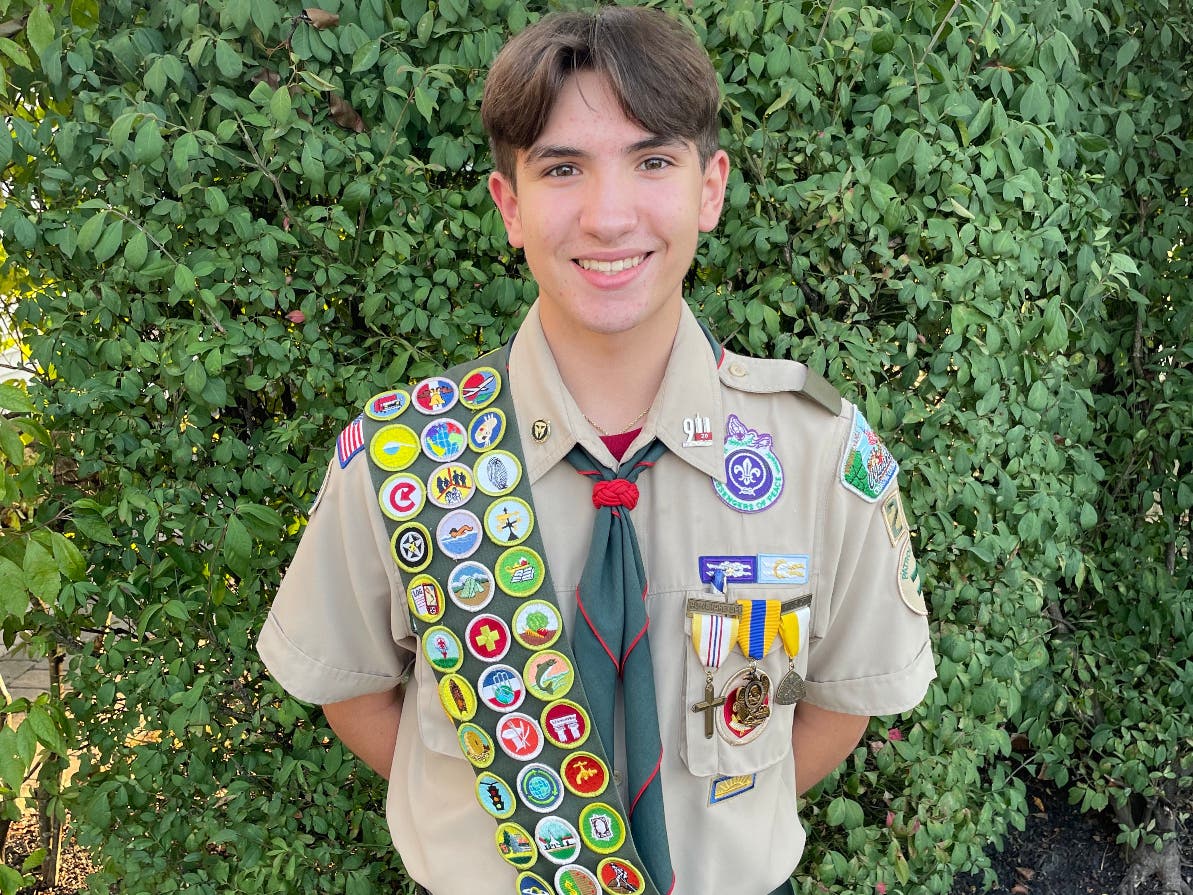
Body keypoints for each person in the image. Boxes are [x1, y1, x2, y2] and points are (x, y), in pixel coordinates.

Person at [257, 7, 935, 895]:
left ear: (709, 188)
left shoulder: (815, 453)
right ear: (509, 204)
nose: (609, 216)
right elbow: (351, 688)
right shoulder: (409, 458)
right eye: (562, 168)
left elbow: (840, 703)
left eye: (652, 160)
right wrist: (504, 819)